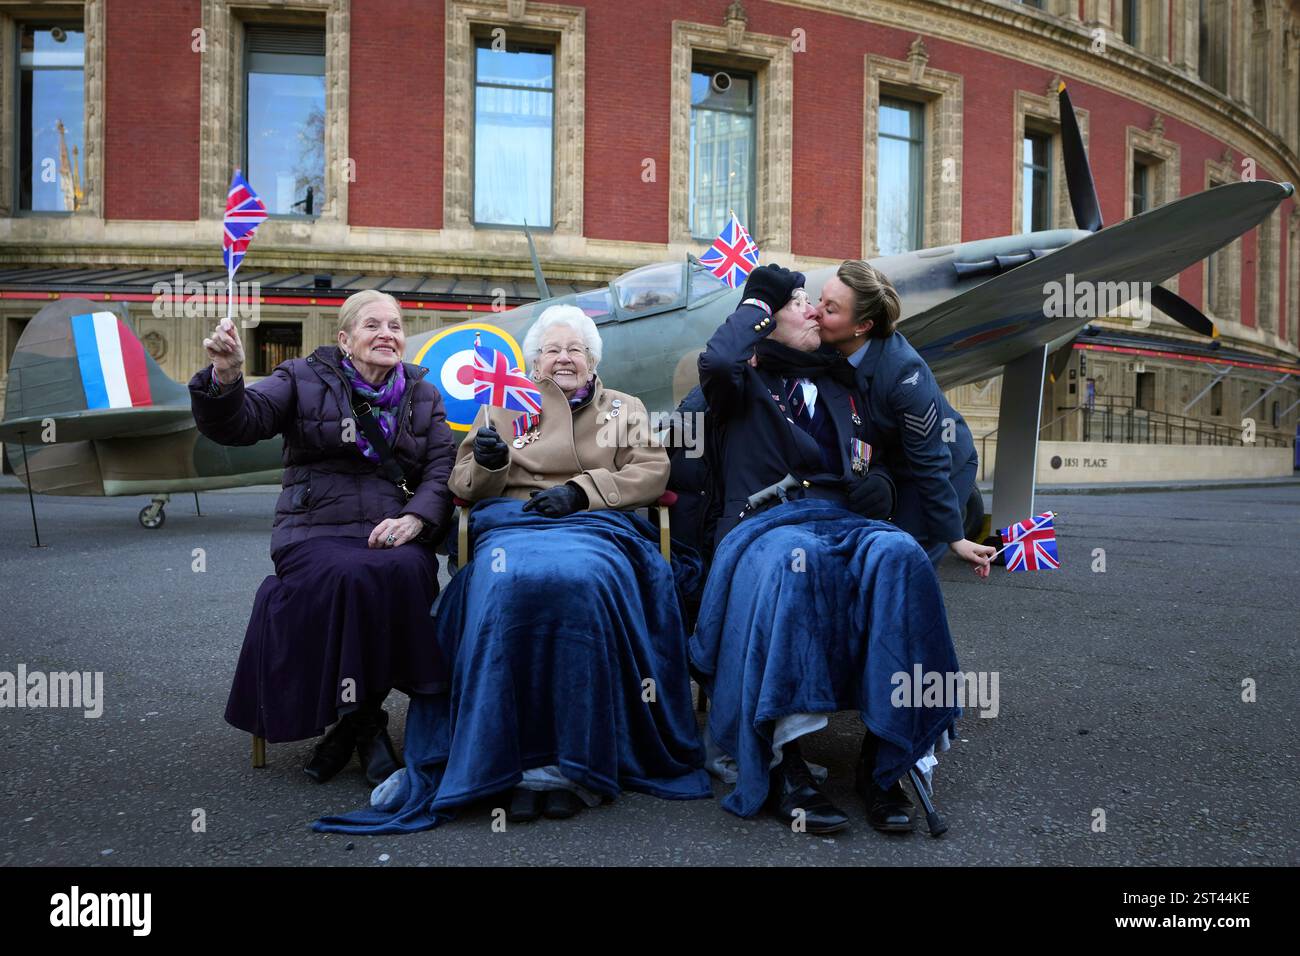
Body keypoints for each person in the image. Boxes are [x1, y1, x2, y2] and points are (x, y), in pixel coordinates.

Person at [312, 304, 709, 834]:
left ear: (593, 361)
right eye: (552, 349)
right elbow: (463, 486)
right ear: (534, 361)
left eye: (575, 350)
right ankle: (510, 756)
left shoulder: (624, 407)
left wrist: (581, 492)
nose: (563, 359)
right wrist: (491, 461)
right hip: (516, 527)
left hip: (596, 529)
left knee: (580, 583)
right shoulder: (504, 404)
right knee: (503, 583)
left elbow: (652, 470)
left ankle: (570, 760)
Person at [690, 263, 966, 835]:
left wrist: (883, 486)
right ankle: (784, 764)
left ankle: (884, 760)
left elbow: (887, 458)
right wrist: (760, 299)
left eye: (815, 303)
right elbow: (718, 358)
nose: (813, 309)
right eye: (798, 304)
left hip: (843, 521)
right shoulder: (740, 383)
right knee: (801, 564)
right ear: (764, 322)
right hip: (765, 527)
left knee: (902, 558)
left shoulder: (847, 386)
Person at [190, 289, 456, 786]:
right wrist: (226, 378)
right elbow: (243, 423)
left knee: (402, 570)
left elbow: (442, 469)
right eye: (372, 325)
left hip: (393, 526)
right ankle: (366, 723)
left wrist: (417, 520)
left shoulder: (424, 393)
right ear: (345, 339)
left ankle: (353, 722)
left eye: (395, 326)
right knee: (348, 575)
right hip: (313, 528)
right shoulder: (301, 376)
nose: (387, 334)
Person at [814, 259, 996, 571]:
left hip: (937, 466)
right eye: (820, 299)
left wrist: (954, 536)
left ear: (862, 326)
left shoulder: (904, 375)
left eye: (830, 309)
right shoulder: (828, 343)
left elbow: (930, 461)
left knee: (903, 560)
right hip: (890, 464)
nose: (816, 311)